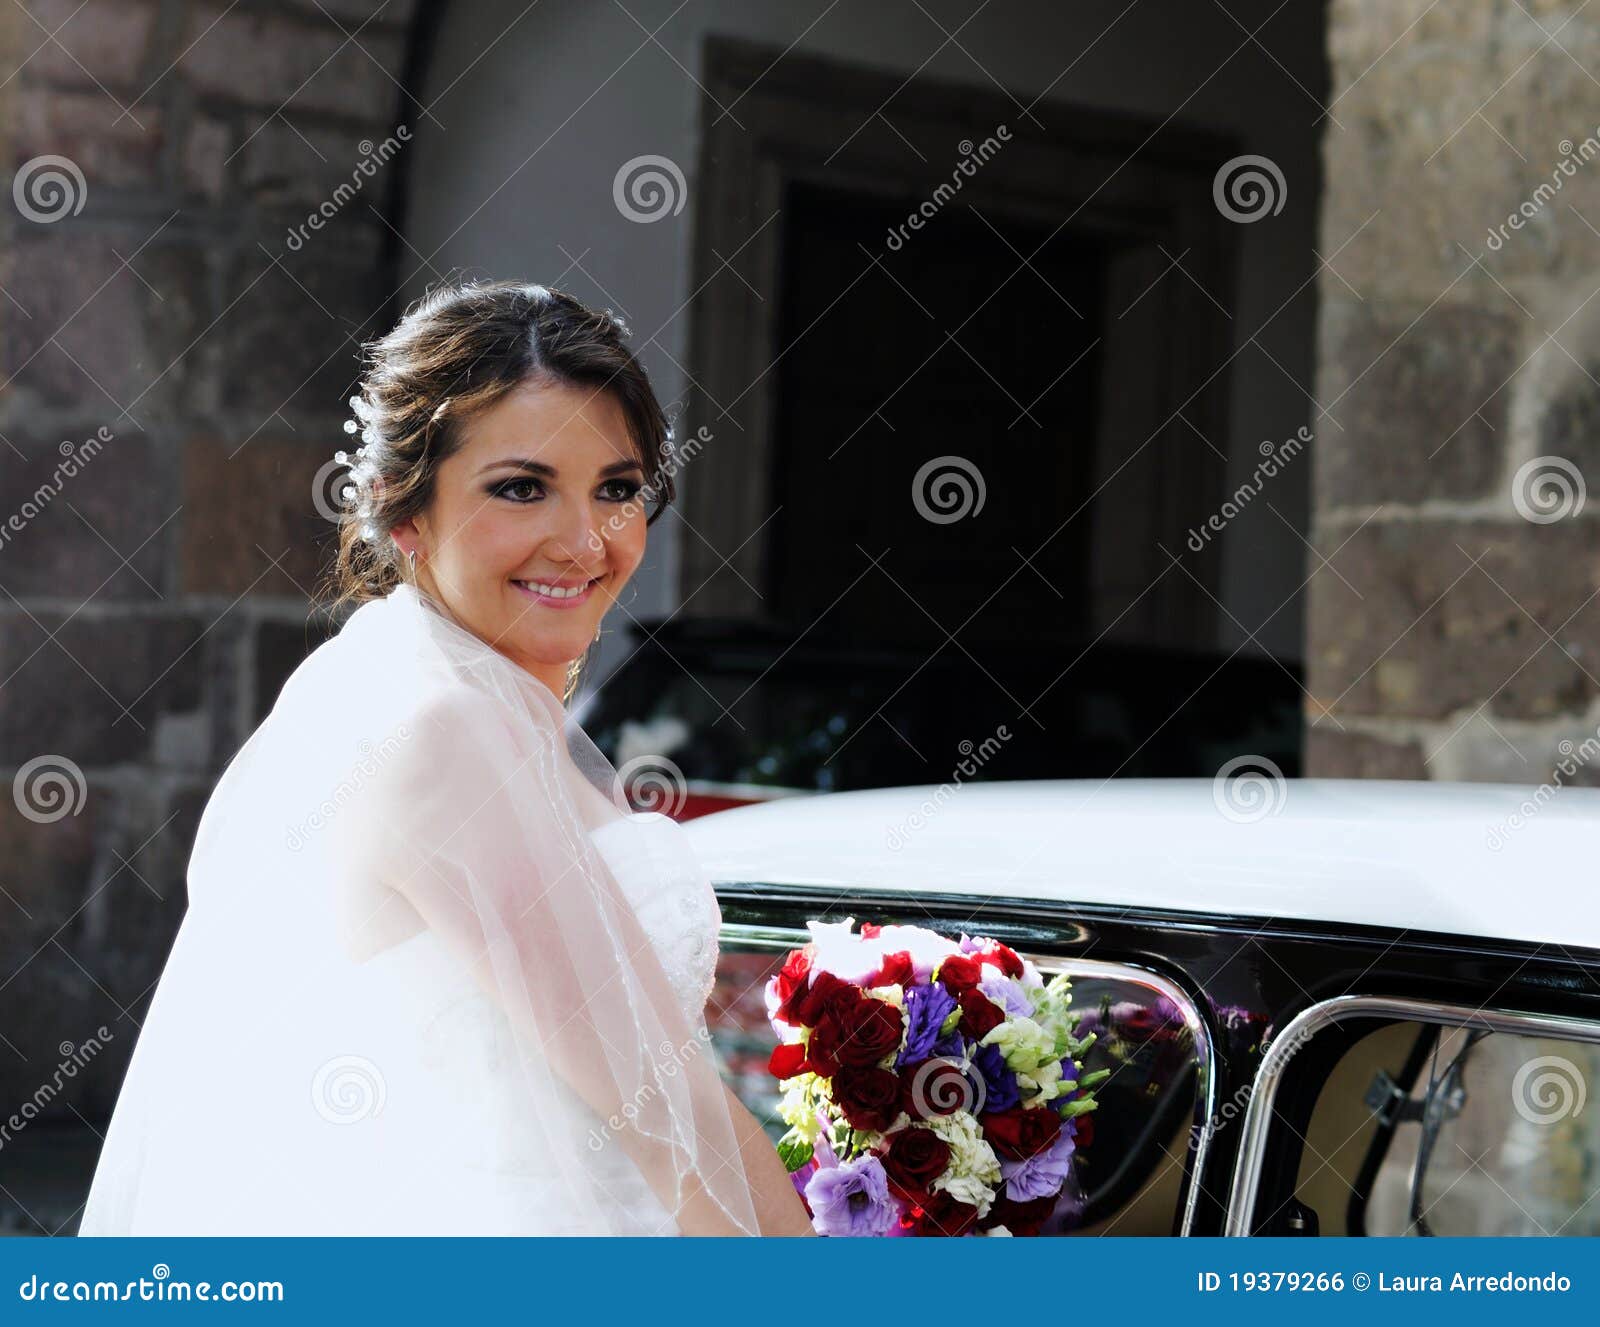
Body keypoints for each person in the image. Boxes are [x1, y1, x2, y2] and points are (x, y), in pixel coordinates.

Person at [79, 279, 814, 1237]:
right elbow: (674, 1130)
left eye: (618, 489)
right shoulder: (440, 733)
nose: (584, 540)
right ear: (404, 512)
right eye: (521, 487)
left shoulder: (447, 698)